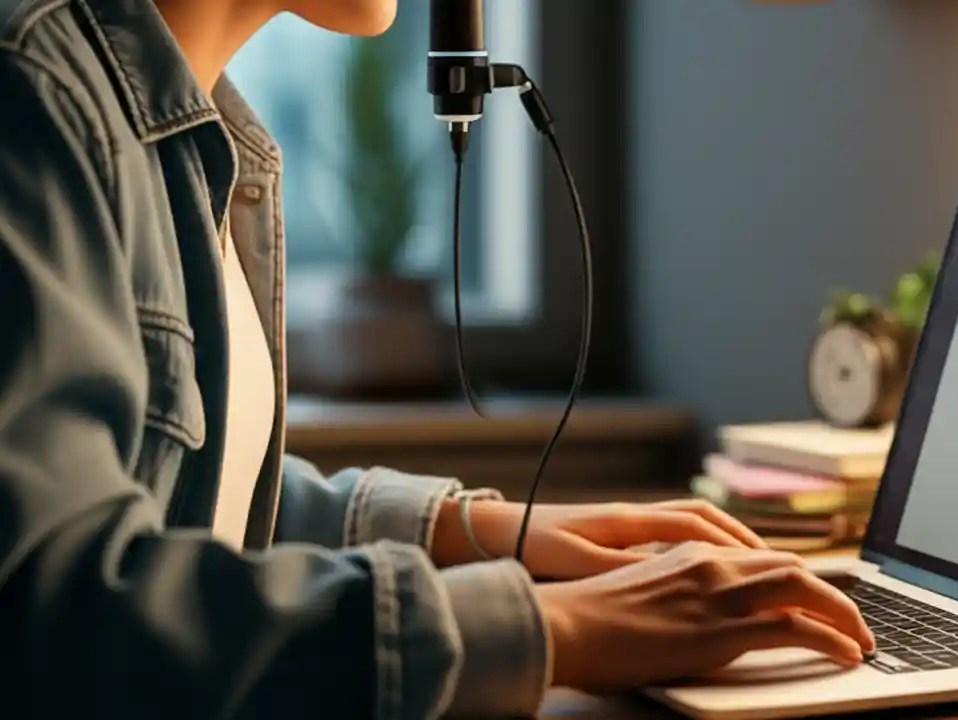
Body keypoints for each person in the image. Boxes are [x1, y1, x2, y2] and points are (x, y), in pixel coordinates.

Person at [0, 0, 875, 717]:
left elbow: (193, 504)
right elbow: (61, 613)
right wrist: (548, 625)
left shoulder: (192, 133)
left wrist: (486, 531)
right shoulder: (33, 93)